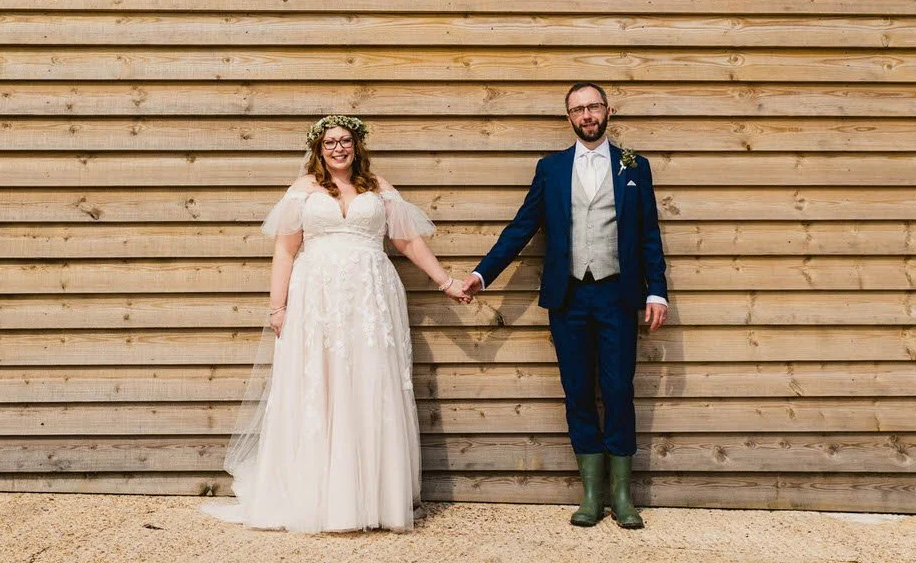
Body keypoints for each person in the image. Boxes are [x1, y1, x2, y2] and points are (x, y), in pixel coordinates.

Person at [204, 114, 472, 533]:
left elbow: (407, 240)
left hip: (370, 300)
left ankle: (371, 501)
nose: (338, 148)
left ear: (357, 144)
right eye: (330, 142)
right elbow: (286, 251)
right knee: (319, 386)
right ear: (318, 147)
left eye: (345, 140)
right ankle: (317, 498)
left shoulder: (379, 188)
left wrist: (446, 281)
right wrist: (279, 307)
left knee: (369, 383)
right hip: (317, 301)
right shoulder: (303, 191)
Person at [462, 82, 668, 529]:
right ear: (569, 118)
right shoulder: (551, 169)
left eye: (593, 106)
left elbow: (649, 232)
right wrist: (481, 275)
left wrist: (657, 289)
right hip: (569, 296)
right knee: (577, 392)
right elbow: (521, 227)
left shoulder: (635, 166)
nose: (587, 115)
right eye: (578, 109)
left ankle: (622, 495)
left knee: (617, 391)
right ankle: (591, 494)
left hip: (617, 294)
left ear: (608, 111)